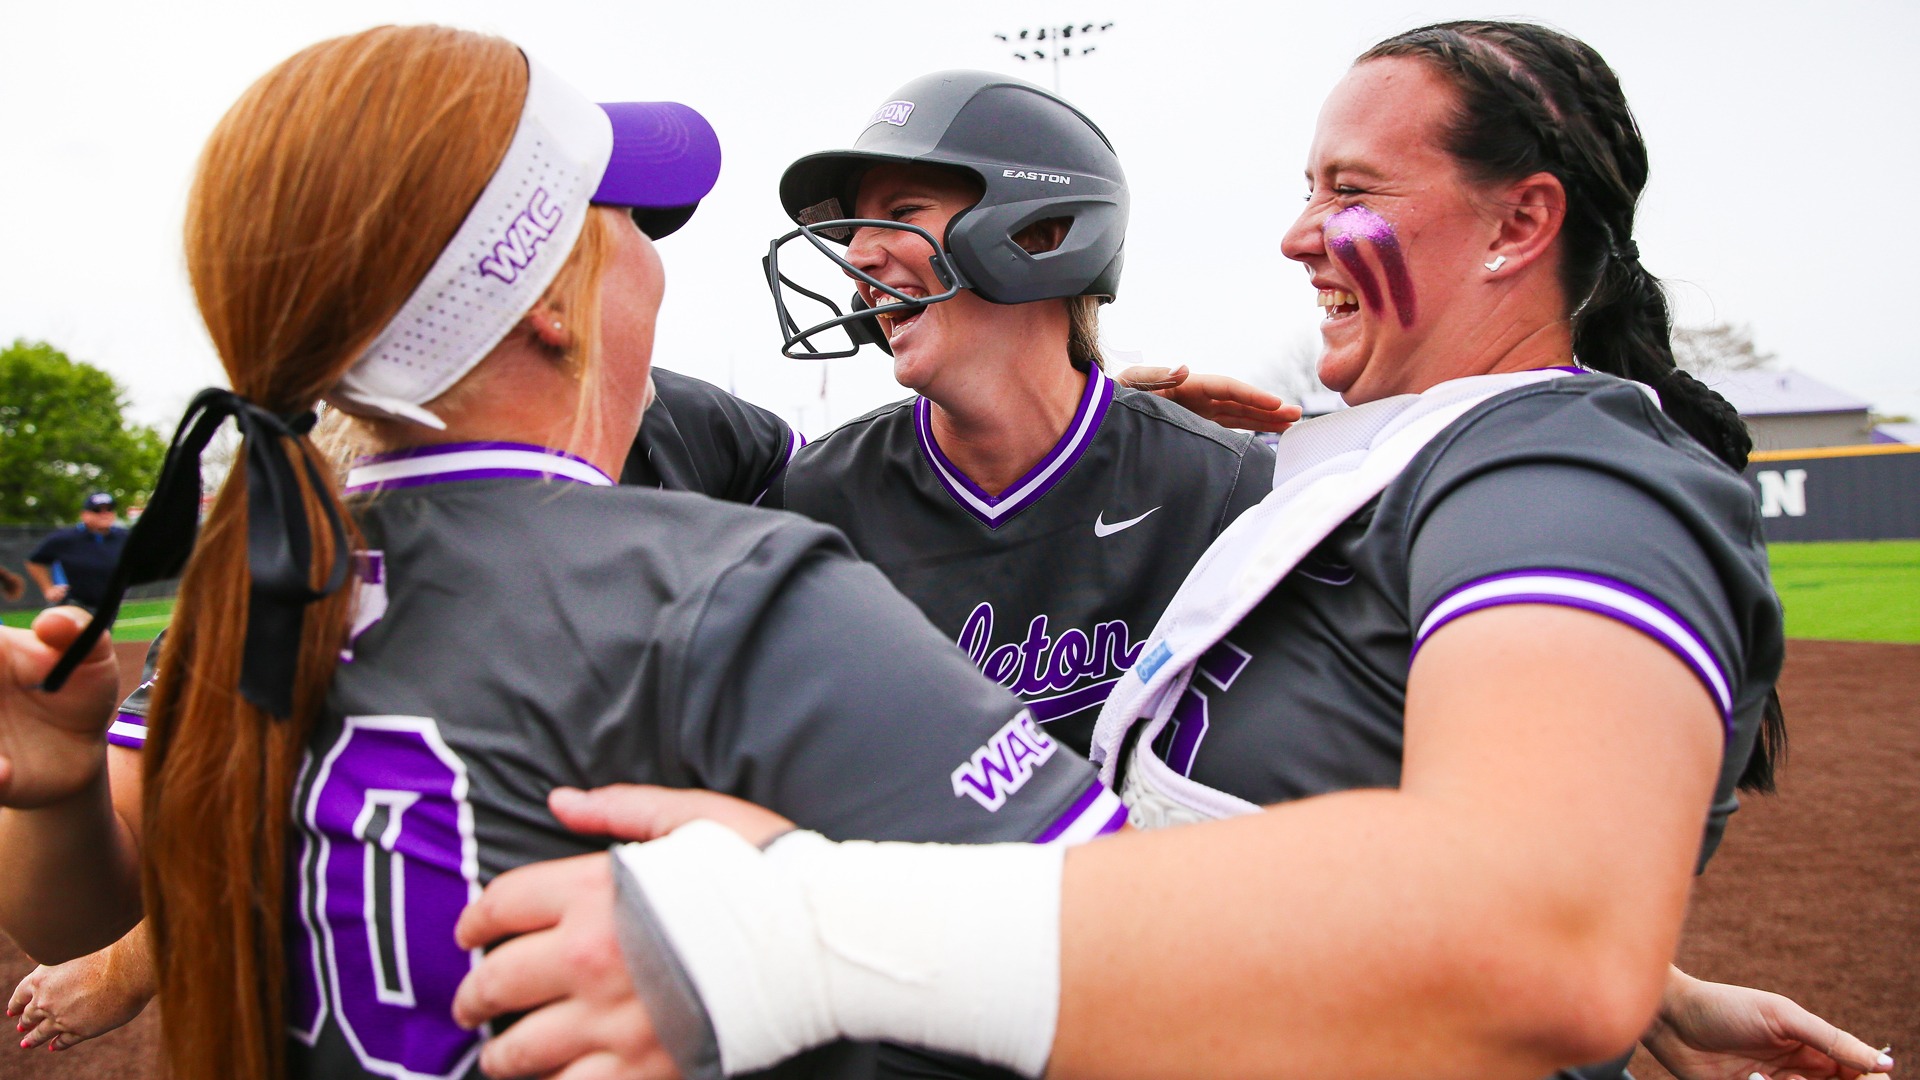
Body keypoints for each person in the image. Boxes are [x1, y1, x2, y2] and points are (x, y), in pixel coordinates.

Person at [450, 20, 1900, 1080]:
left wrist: (809, 930)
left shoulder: (1539, 470)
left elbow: (1534, 924)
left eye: (1351, 191)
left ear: (1523, 222)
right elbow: (1338, 813)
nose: (1298, 236)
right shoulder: (1331, 493)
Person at [0, 25, 1128, 1080]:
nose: (653, 256)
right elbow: (1134, 935)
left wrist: (57, 797)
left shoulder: (256, 574)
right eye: (629, 220)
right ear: (549, 300)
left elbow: (89, 915)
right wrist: (816, 919)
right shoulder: (737, 589)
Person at [759, 71, 1284, 757]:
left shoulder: (1222, 488)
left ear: (1042, 233)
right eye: (855, 229)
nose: (857, 257)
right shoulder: (817, 496)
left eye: (904, 211)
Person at [25, 494, 126, 610]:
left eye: (109, 509)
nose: (105, 514)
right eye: (97, 510)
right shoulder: (66, 538)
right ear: (84, 514)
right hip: (72, 603)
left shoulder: (122, 537)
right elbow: (34, 562)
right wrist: (48, 588)